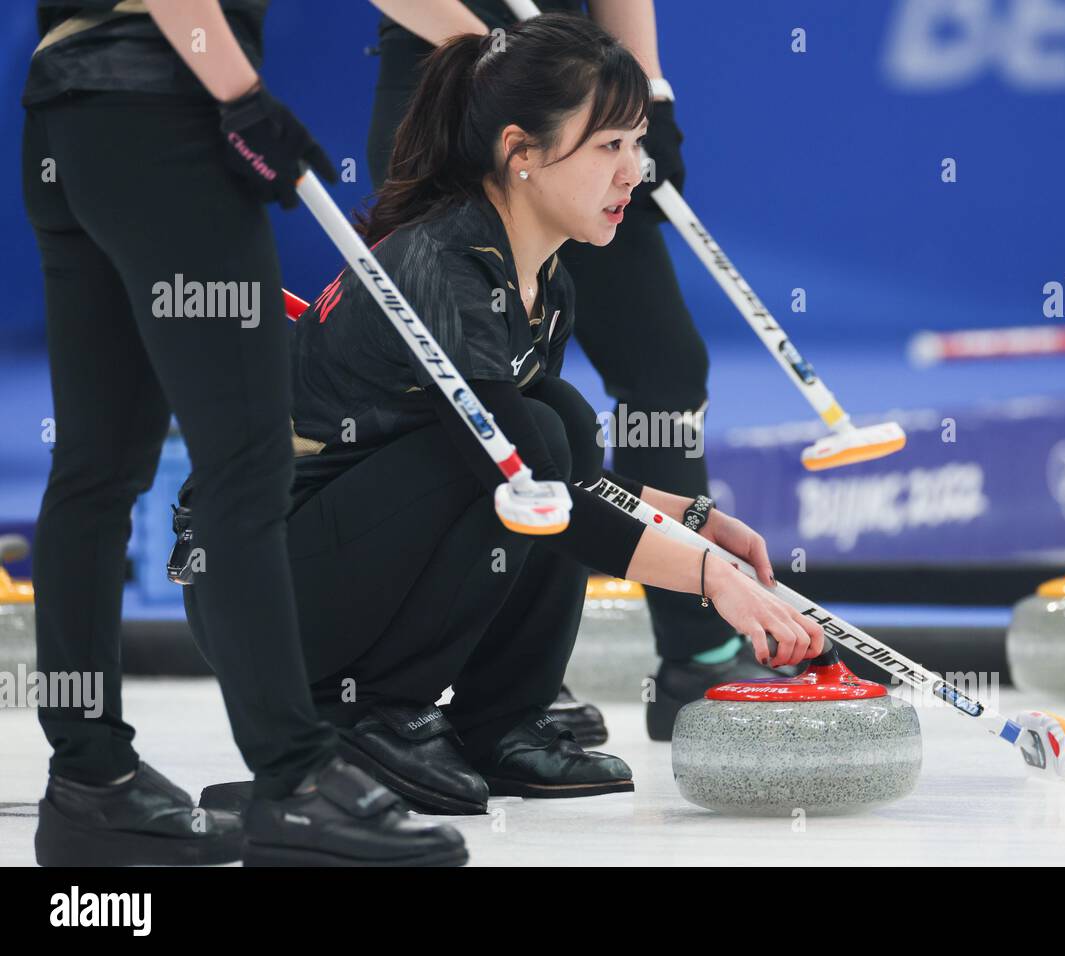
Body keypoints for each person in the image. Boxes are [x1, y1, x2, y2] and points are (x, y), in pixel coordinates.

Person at [195, 13, 823, 816]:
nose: (638, 170)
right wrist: (710, 578)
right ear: (521, 152)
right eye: (609, 147)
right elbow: (528, 480)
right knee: (530, 445)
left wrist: (694, 517)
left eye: (638, 143)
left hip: (337, 550)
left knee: (556, 421)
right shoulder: (442, 269)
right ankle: (361, 714)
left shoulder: (545, 280)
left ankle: (501, 722)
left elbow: (564, 480)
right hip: (269, 590)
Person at [22, 0, 464, 866]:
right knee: (250, 462)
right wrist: (239, 96)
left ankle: (90, 782)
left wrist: (478, 39)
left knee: (96, 469)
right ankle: (295, 781)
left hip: (66, 119)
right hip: (168, 108)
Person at [365, 0, 769, 743]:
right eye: (626, 146)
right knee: (492, 422)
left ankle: (694, 655)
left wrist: (644, 98)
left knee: (649, 375)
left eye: (635, 146)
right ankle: (474, 681)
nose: (634, 162)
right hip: (469, 82)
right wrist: (503, 61)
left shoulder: (589, 200)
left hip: (577, 94)